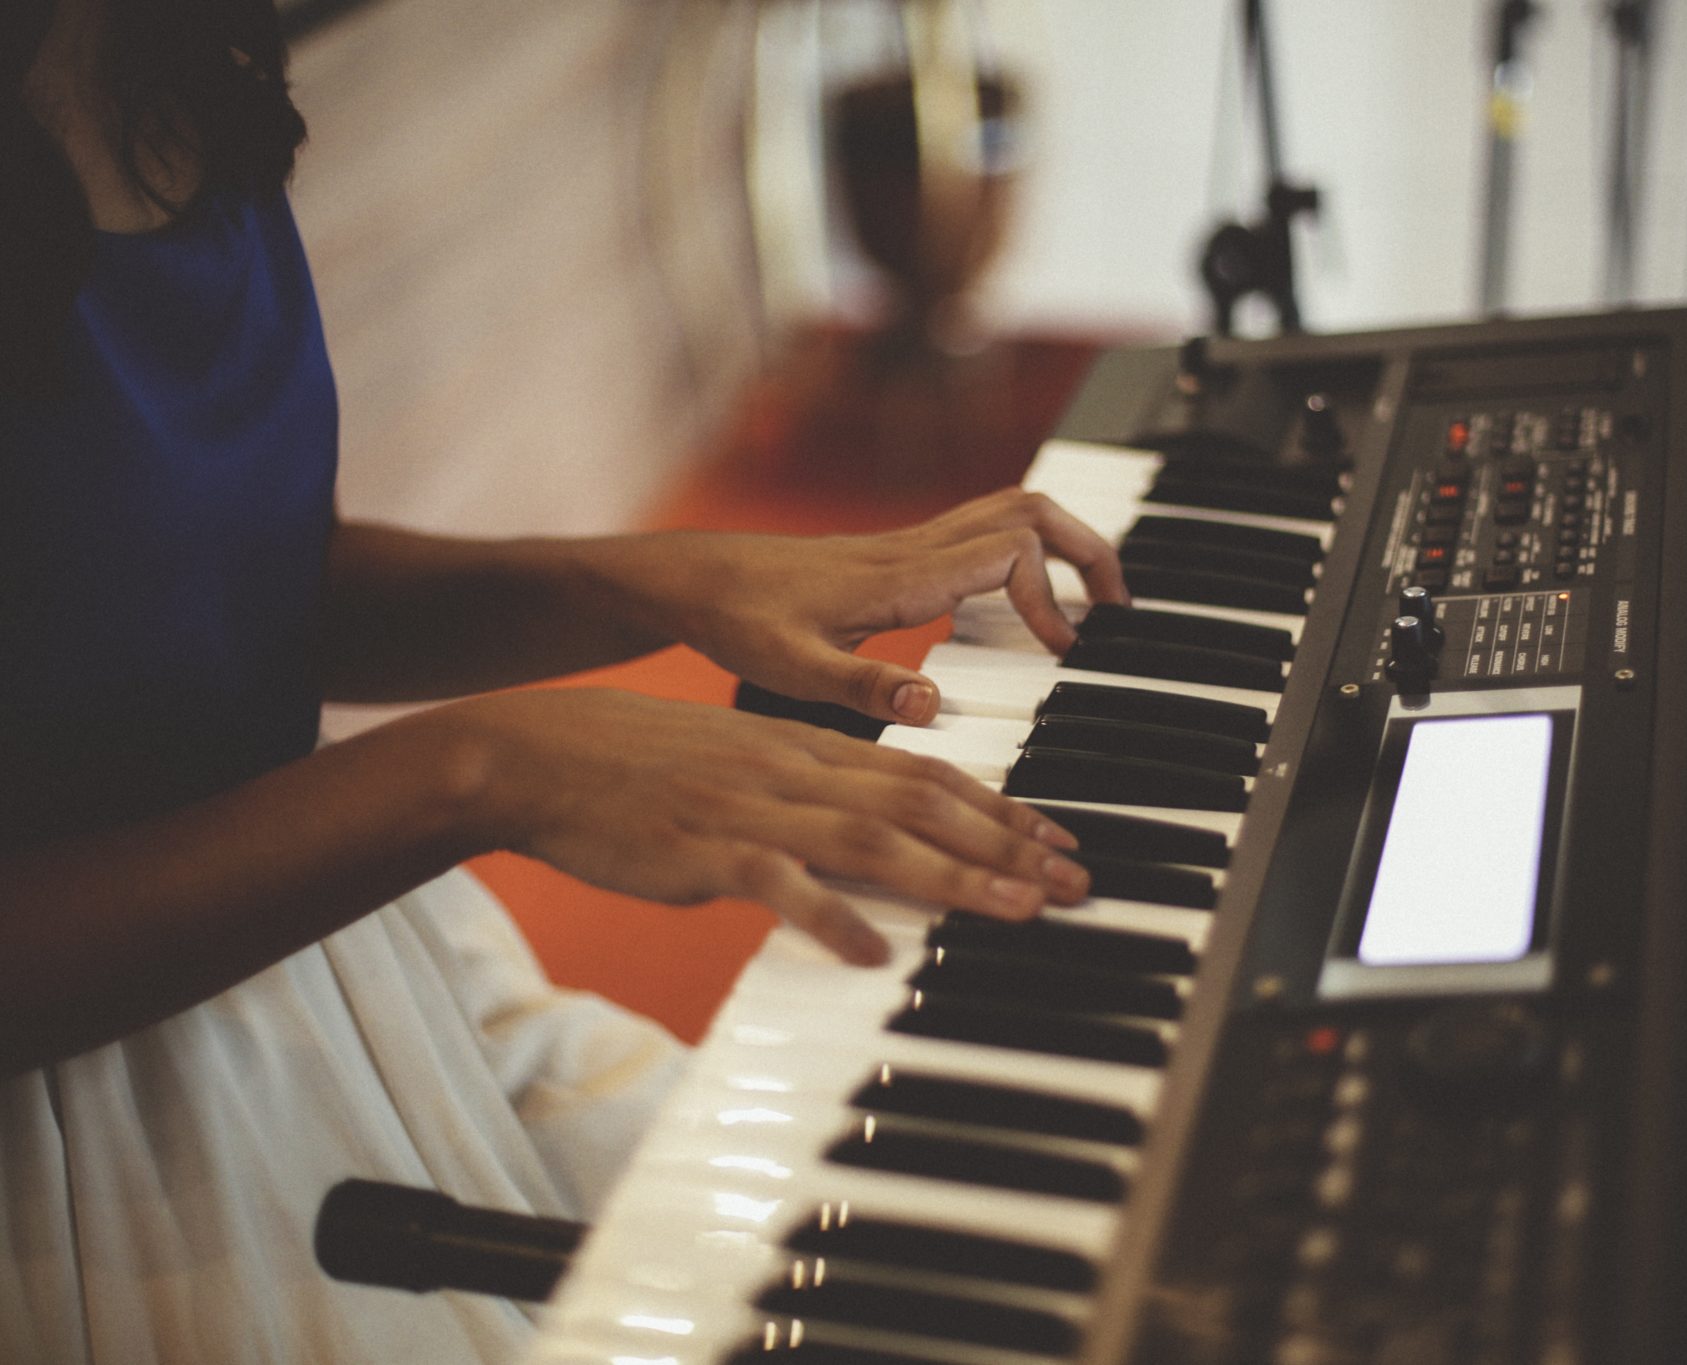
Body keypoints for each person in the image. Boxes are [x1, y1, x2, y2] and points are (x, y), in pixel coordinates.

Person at [0, 0, 1129, 1359]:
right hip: (77, 1159)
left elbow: (201, 591)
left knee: (929, 1251)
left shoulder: (158, 51)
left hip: (328, 960)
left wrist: (667, 580)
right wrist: (484, 771)